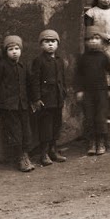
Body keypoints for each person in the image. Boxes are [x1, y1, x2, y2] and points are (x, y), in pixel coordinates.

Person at [0, 34, 36, 172]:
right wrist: (3, 98)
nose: (14, 52)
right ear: (6, 51)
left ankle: (26, 155)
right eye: (10, 49)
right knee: (15, 132)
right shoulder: (2, 66)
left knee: (26, 131)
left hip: (23, 105)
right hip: (9, 106)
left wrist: (33, 100)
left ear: (21, 50)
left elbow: (30, 84)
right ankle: (20, 158)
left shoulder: (23, 66)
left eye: (17, 48)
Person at [28, 29, 70, 166]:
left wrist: (63, 93)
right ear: (41, 45)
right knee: (46, 127)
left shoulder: (59, 60)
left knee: (56, 125)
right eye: (46, 42)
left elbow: (62, 79)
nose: (50, 44)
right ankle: (44, 153)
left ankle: (53, 150)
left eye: (53, 41)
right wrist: (36, 98)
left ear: (57, 44)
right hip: (45, 101)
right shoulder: (39, 61)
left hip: (57, 99)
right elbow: (35, 81)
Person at [75, 31, 110, 155]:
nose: (93, 41)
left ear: (101, 41)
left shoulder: (104, 57)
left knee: (100, 117)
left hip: (102, 92)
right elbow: (78, 75)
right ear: (86, 42)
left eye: (96, 38)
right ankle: (92, 142)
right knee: (89, 117)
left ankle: (101, 141)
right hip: (88, 93)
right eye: (90, 39)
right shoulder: (83, 58)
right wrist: (79, 90)